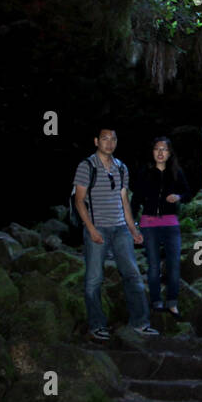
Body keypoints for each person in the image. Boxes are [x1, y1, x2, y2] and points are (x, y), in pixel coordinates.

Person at [73, 126, 153, 340]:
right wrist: (90, 229)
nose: (109, 142)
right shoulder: (86, 166)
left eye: (113, 139)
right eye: (104, 138)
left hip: (120, 229)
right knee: (94, 279)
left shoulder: (121, 167)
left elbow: (124, 200)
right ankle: (97, 325)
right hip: (97, 228)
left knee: (133, 275)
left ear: (116, 143)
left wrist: (133, 229)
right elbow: (79, 201)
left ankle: (140, 322)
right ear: (96, 141)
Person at [133, 136, 196, 316]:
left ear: (169, 154)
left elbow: (188, 193)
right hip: (149, 223)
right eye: (157, 149)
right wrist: (133, 226)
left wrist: (178, 197)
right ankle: (156, 301)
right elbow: (135, 200)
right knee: (153, 266)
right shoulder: (145, 172)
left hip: (170, 223)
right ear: (153, 152)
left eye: (164, 149)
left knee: (174, 264)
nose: (160, 152)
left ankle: (172, 302)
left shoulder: (176, 172)